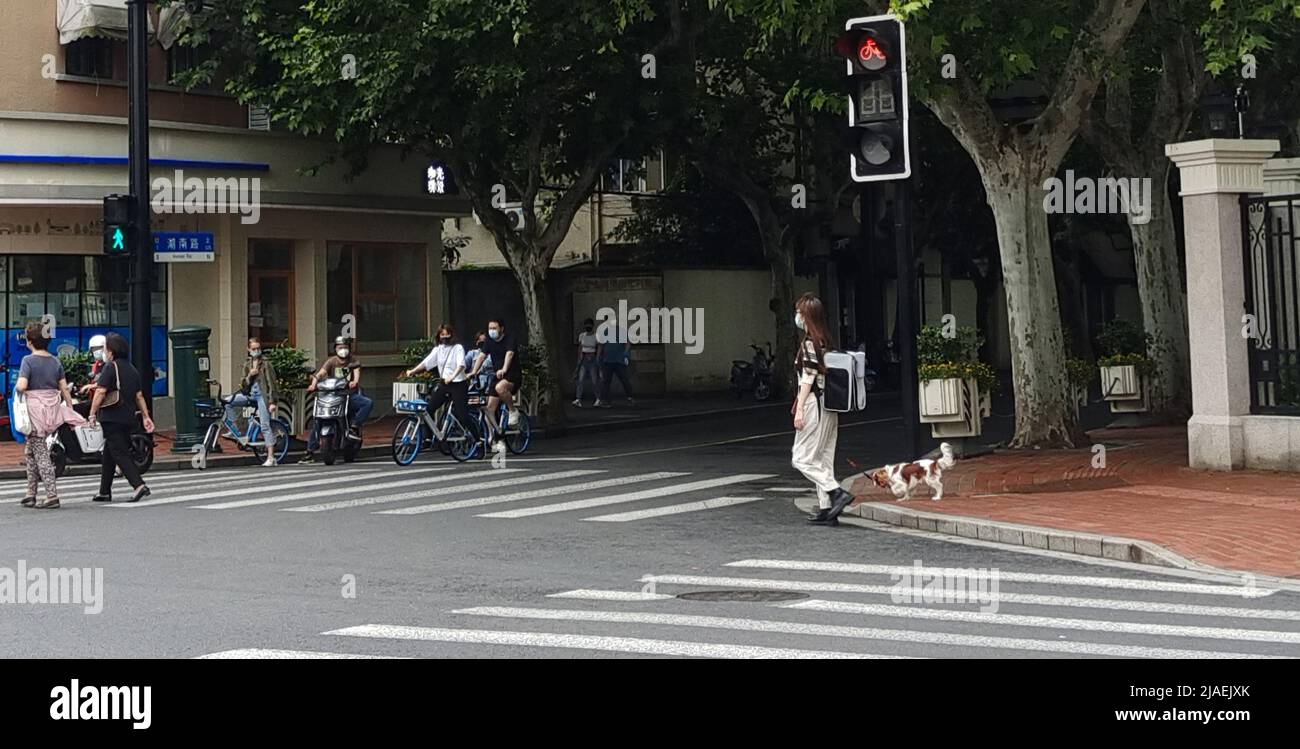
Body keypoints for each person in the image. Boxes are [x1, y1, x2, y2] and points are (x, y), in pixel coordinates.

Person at [790, 293, 854, 526]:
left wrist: (799, 410)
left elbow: (807, 379)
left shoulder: (809, 344)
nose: (797, 316)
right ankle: (827, 509)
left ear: (807, 316)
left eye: (799, 312)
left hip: (814, 405)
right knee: (823, 459)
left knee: (801, 458)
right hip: (829, 405)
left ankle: (836, 492)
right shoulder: (825, 340)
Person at [15, 321, 83, 509]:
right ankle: (30, 493)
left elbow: (21, 385)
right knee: (31, 451)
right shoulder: (55, 361)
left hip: (35, 413)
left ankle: (51, 494)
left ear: (29, 341)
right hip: (52, 411)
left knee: (40, 452)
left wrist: (20, 389)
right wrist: (69, 412)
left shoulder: (28, 361)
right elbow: (64, 389)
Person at [87, 332, 155, 503]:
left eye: (105, 349)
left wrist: (92, 413)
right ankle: (104, 491)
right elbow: (139, 396)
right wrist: (146, 416)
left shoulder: (111, 367)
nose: (104, 352)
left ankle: (139, 485)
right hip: (128, 417)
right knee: (110, 453)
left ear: (111, 351)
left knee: (120, 453)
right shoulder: (132, 369)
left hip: (111, 417)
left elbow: (101, 392)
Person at [403, 324, 479, 444]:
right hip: (444, 384)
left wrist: (452, 376)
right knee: (428, 410)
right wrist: (413, 371)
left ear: (451, 335)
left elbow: (461, 365)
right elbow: (426, 363)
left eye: (447, 334)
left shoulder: (457, 348)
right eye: (442, 334)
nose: (445, 337)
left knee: (463, 416)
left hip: (458, 384)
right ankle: (429, 437)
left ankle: (478, 441)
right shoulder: (438, 349)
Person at [301, 336, 372, 463]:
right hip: (331, 397)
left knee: (367, 403)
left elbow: (357, 372)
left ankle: (355, 426)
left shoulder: (353, 361)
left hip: (348, 396)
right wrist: (314, 383)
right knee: (319, 420)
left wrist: (354, 382)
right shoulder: (331, 361)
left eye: (345, 347)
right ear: (335, 349)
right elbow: (321, 373)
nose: (343, 350)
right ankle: (309, 451)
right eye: (340, 347)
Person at [226, 337, 279, 467]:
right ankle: (235, 431)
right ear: (248, 350)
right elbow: (243, 383)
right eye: (254, 349)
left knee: (265, 425)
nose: (256, 351)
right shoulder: (247, 364)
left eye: (258, 348)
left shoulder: (265, 363)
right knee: (228, 401)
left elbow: (272, 384)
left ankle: (271, 457)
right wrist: (250, 375)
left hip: (262, 396)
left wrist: (272, 402)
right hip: (250, 395)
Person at [480, 318, 520, 452]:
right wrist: (473, 372)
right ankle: (497, 436)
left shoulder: (510, 339)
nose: (491, 331)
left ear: (501, 328)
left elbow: (509, 354)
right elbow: (481, 356)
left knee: (500, 388)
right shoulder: (489, 341)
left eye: (494, 328)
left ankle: (512, 410)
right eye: (490, 328)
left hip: (511, 375)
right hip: (496, 376)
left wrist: (504, 368)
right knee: (488, 409)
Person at [72, 334, 107, 419]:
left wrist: (90, 386)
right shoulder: (95, 365)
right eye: (94, 349)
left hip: (104, 401)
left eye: (99, 348)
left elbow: (104, 383)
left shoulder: (109, 366)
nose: (96, 351)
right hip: (94, 398)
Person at [595, 328, 633, 408]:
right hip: (608, 360)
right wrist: (598, 357)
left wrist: (625, 353)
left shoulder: (621, 331)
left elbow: (627, 343)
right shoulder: (605, 331)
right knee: (606, 381)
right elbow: (601, 345)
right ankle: (608, 402)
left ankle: (630, 398)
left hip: (619, 360)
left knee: (624, 379)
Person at [572, 318, 600, 408]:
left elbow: (599, 347)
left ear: (592, 326)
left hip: (592, 358)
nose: (588, 327)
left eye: (589, 325)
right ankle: (578, 399)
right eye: (586, 325)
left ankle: (598, 399)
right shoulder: (582, 335)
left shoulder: (596, 336)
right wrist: (579, 359)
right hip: (583, 358)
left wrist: (597, 357)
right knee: (580, 380)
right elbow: (580, 347)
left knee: (594, 380)